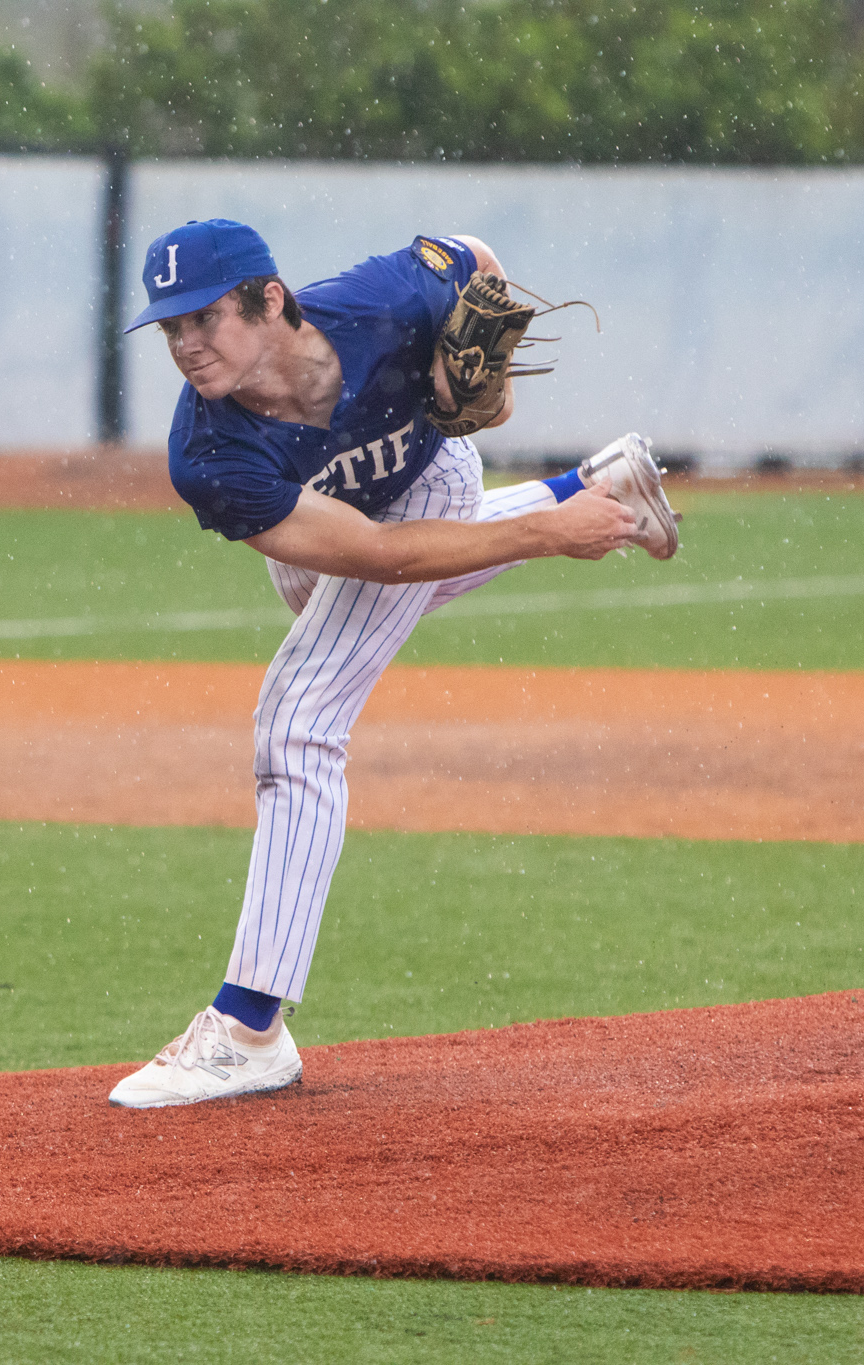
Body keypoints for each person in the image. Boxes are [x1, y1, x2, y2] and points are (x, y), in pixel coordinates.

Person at [106, 219, 679, 1109]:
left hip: (432, 479)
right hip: (336, 524)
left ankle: (248, 1029)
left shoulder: (383, 300)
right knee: (329, 594)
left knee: (299, 720)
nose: (185, 343)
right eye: (170, 326)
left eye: (204, 317)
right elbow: (378, 556)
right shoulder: (208, 454)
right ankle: (598, 489)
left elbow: (473, 255)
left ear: (269, 299)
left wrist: (486, 388)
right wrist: (549, 528)